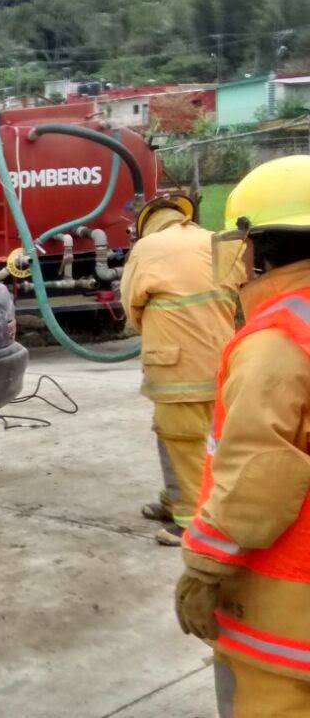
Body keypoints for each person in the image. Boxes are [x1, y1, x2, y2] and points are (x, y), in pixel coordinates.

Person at [176, 155, 310, 715]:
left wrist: (204, 567)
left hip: (288, 604)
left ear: (260, 245)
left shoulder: (279, 337)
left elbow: (261, 474)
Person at [121, 193, 245, 546]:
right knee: (207, 437)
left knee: (181, 438)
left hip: (176, 367)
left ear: (148, 223)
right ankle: (174, 499)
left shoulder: (147, 249)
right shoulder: (213, 240)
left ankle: (190, 520)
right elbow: (240, 291)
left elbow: (132, 305)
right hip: (224, 359)